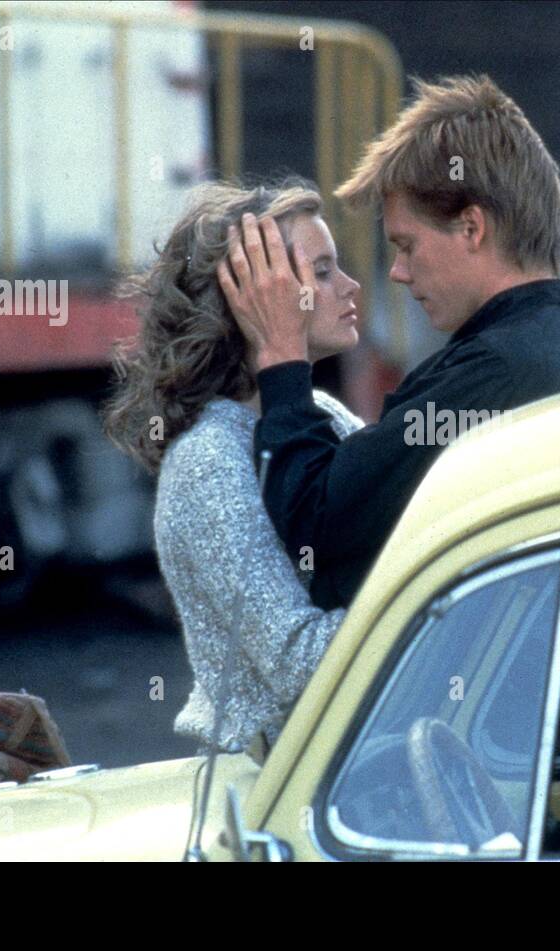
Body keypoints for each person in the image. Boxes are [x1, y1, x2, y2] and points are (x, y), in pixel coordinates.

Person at [218, 74, 560, 756]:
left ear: (472, 226)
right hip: (528, 747)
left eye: (406, 245)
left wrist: (282, 355)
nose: (397, 274)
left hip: (463, 762)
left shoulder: (497, 373)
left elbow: (316, 527)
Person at [103, 178, 364, 758]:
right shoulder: (207, 461)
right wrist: (445, 614)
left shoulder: (322, 412)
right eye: (321, 273)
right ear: (250, 296)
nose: (350, 287)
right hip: (261, 800)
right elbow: (299, 663)